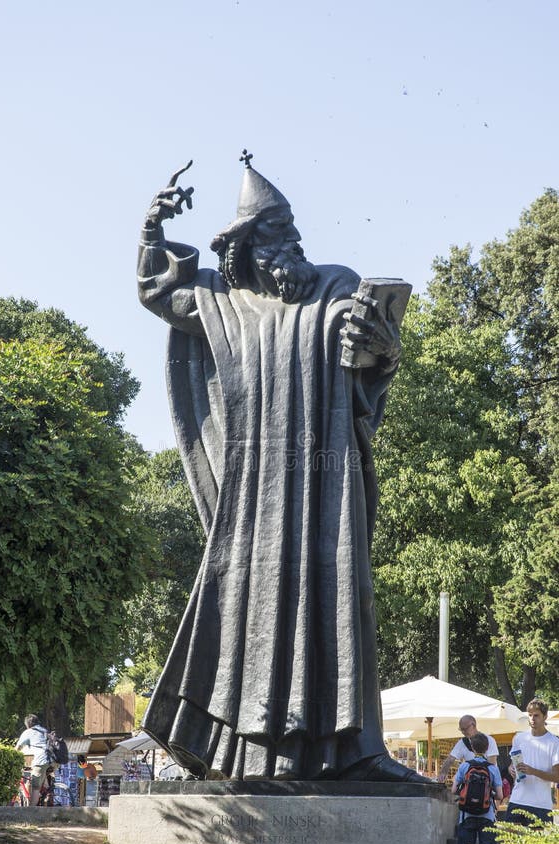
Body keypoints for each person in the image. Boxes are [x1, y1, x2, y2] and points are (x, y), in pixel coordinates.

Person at [137, 154, 426, 783]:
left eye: (293, 229)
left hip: (326, 482)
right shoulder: (224, 301)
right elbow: (159, 293)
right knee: (243, 600)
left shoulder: (334, 282)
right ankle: (231, 755)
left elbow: (376, 348)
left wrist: (375, 345)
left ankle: (357, 750)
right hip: (255, 491)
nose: (292, 243)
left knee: (338, 597)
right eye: (276, 233)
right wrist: (152, 234)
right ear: (246, 246)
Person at [506, 697, 559, 826]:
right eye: (530, 715)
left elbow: (556, 777)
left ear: (545, 716)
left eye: (536, 715)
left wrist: (533, 771)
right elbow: (512, 764)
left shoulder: (554, 742)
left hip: (540, 804)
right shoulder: (519, 738)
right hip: (517, 799)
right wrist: (511, 769)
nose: (532, 719)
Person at [452, 731, 503, 844]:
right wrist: (488, 794)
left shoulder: (464, 766)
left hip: (467, 814)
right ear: (487, 749)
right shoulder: (492, 768)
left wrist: (466, 793)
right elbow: (500, 795)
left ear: (472, 748)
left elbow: (454, 790)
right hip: (487, 815)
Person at [436, 715, 499, 782]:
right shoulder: (462, 743)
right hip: (471, 782)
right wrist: (443, 773)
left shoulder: (489, 740)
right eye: (461, 730)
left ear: (473, 725)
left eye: (465, 729)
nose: (463, 732)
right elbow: (450, 759)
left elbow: (492, 764)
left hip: (488, 781)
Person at [15, 714, 52, 806]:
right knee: (42, 774)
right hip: (54, 759)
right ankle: (47, 791)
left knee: (35, 787)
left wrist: (12, 757)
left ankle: (31, 810)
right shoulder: (44, 730)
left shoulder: (28, 732)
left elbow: (17, 749)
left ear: (27, 724)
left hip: (42, 759)